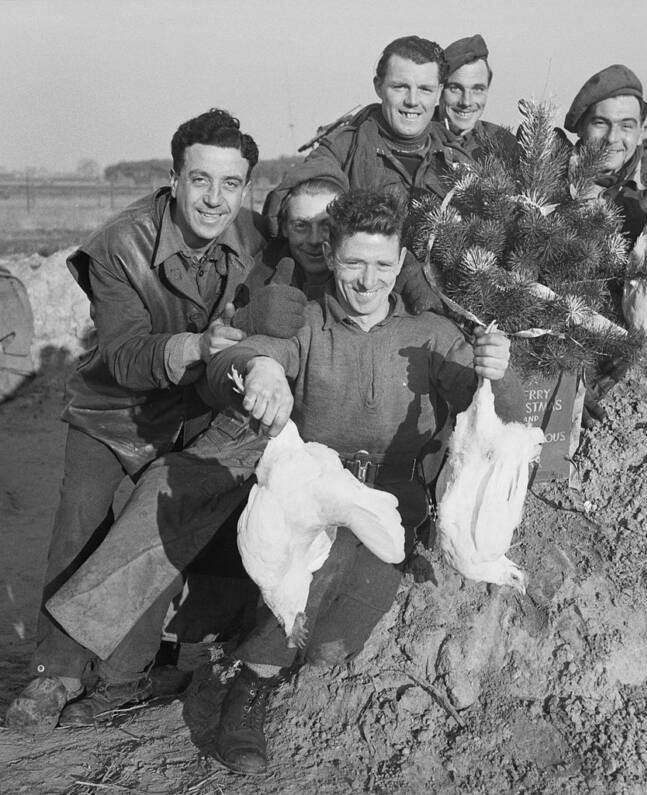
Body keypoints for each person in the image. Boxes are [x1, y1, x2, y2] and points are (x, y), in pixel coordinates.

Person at [196, 189, 524, 773]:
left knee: (329, 646)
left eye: (381, 265)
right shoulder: (306, 323)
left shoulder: (433, 334)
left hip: (395, 508)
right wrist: (260, 367)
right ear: (331, 253)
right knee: (327, 545)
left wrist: (500, 373)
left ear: (400, 265)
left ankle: (276, 646)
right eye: (352, 263)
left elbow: (501, 416)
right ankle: (247, 696)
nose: (367, 280)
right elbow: (231, 363)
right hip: (308, 502)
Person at [5, 109, 307, 735]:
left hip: (195, 416)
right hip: (111, 413)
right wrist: (197, 346)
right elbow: (119, 353)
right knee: (79, 529)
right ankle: (52, 674)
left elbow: (308, 219)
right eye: (200, 180)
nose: (213, 198)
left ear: (246, 187)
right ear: (174, 177)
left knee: (161, 532)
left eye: (230, 184)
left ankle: (126, 676)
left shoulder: (256, 239)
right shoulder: (119, 244)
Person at [263, 36, 473, 238]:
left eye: (425, 89)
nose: (412, 100)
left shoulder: (455, 156)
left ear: (439, 93)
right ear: (378, 87)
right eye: (400, 87)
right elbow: (291, 202)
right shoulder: (343, 151)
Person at [563, 63, 647, 247]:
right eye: (600, 123)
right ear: (581, 128)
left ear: (641, 133)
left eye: (626, 126)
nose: (612, 138)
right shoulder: (551, 178)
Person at [438, 34, 517, 159]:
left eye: (477, 89)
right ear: (440, 90)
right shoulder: (416, 138)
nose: (466, 102)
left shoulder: (504, 145)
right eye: (456, 89)